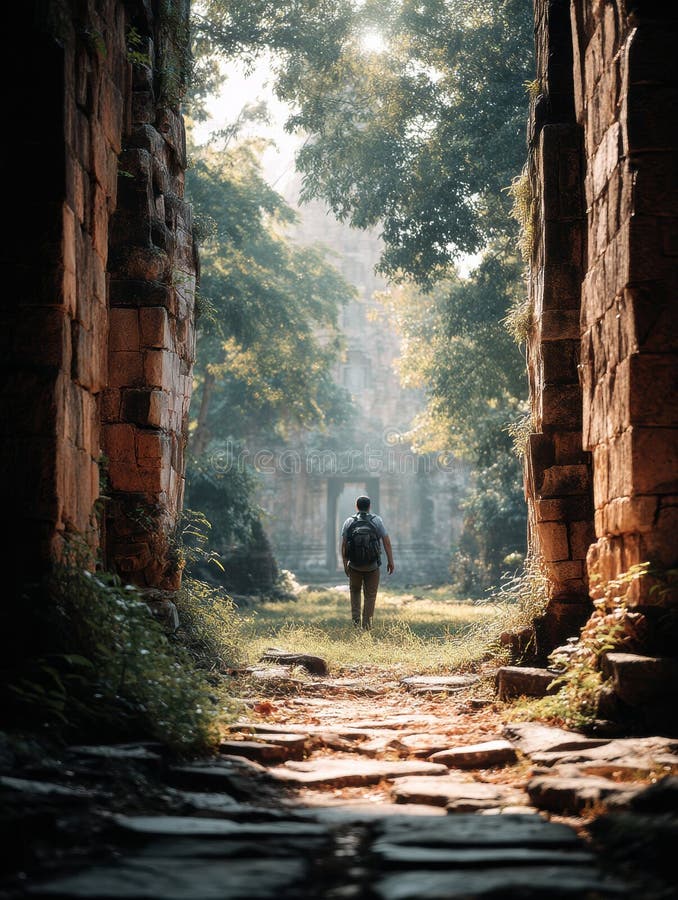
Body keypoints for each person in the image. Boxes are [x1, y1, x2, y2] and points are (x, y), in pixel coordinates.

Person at [341, 495, 395, 630]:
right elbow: (386, 542)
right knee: (370, 596)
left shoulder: (349, 521)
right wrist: (390, 561)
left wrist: (345, 563)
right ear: (369, 506)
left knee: (354, 592)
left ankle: (355, 623)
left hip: (354, 565)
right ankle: (367, 626)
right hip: (372, 565)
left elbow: (344, 546)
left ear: (356, 506)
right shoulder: (377, 521)